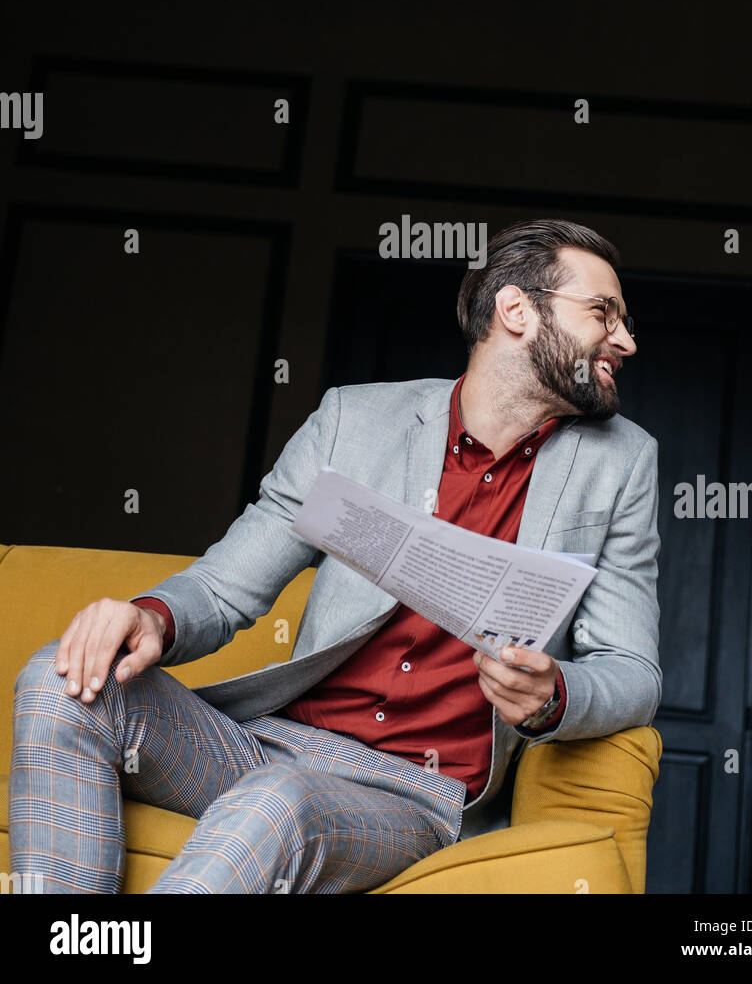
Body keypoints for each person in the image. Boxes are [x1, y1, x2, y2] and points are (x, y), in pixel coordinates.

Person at [10, 217, 661, 894]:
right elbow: (226, 589)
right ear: (517, 310)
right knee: (62, 685)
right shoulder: (353, 421)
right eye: (602, 313)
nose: (626, 340)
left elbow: (633, 670)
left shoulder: (621, 463)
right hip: (268, 746)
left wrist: (554, 694)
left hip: (415, 793)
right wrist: (151, 618)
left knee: (279, 802)